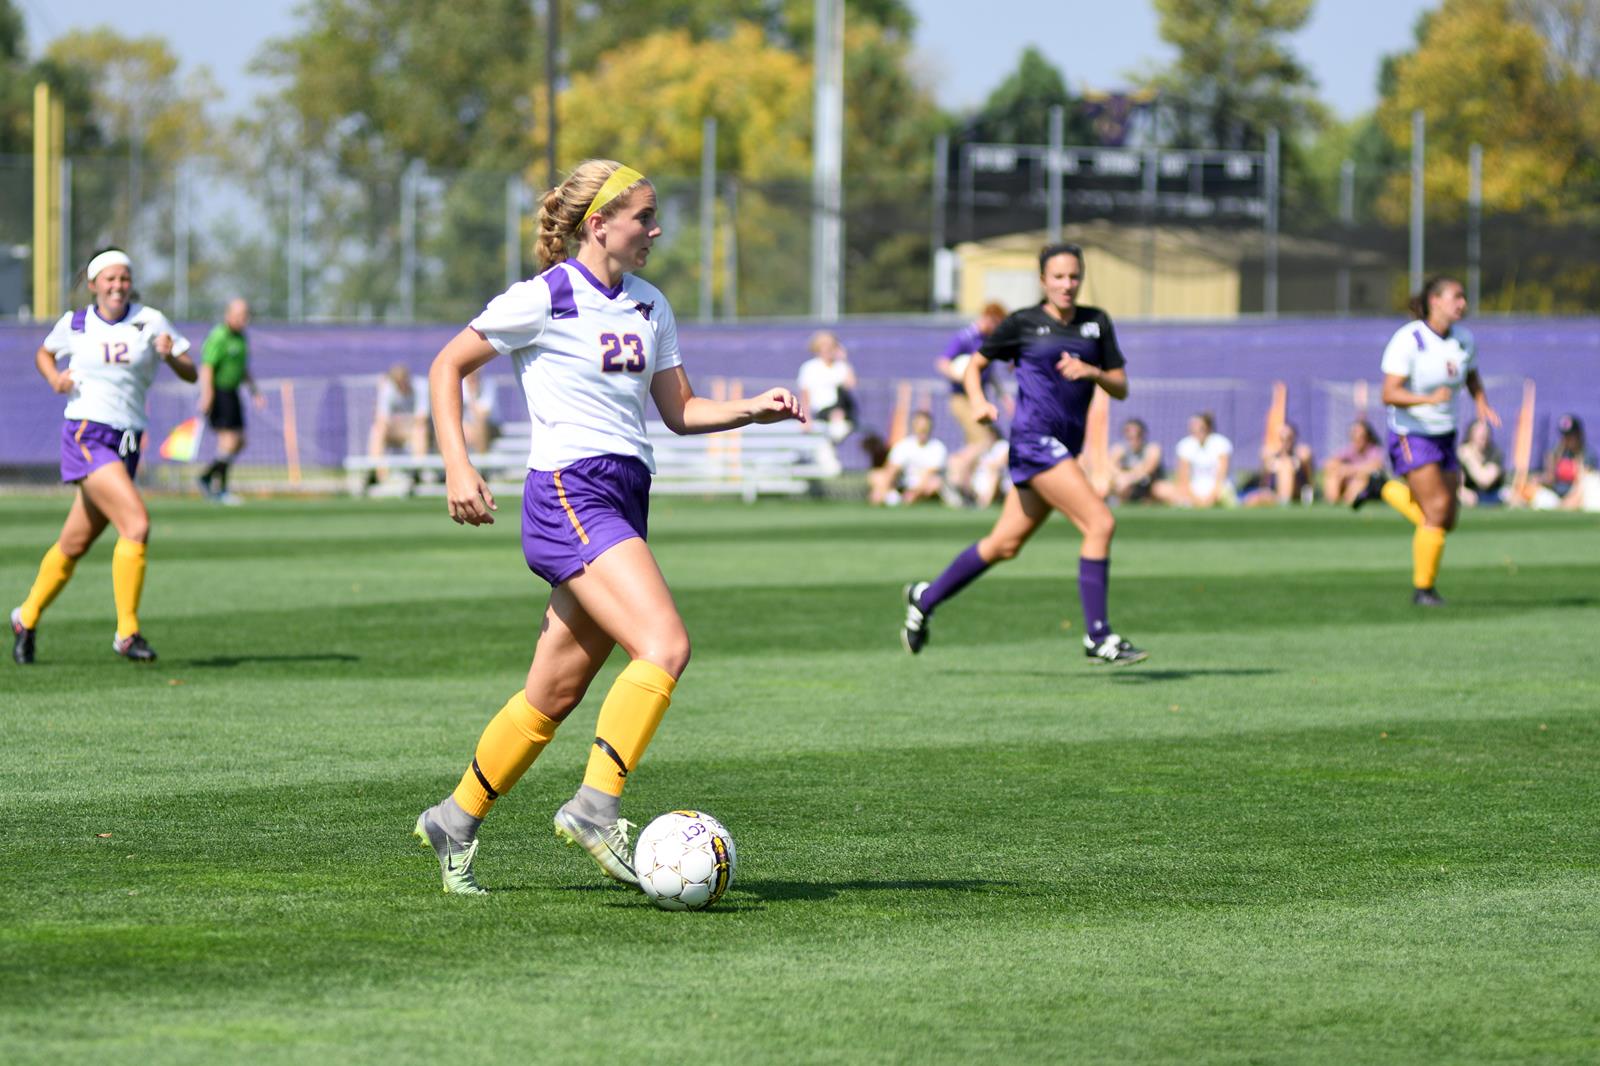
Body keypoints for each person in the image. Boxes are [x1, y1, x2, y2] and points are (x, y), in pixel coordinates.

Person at [411, 159, 804, 895]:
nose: (656, 230)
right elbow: (446, 366)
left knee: (551, 695)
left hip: (624, 497)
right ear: (599, 226)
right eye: (644, 218)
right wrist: (457, 468)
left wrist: (752, 408)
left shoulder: (651, 304)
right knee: (665, 644)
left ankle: (453, 819)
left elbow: (680, 413)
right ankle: (595, 809)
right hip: (568, 492)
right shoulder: (546, 297)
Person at [901, 242, 1146, 665]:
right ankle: (1098, 637)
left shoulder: (1096, 323)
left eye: (1074, 276)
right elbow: (974, 365)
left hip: (1063, 447)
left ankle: (926, 597)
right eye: (1058, 277)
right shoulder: (1023, 323)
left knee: (1004, 544)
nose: (1067, 284)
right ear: (1043, 281)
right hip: (1034, 442)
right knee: (1100, 523)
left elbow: (1120, 386)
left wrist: (1092, 372)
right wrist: (978, 402)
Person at [10, 248, 196, 665]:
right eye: (109, 279)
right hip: (86, 435)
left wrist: (170, 355)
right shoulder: (76, 323)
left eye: (124, 278)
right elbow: (44, 353)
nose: (118, 286)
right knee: (137, 523)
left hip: (126, 443)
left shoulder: (149, 320)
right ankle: (127, 633)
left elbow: (191, 370)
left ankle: (26, 616)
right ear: (93, 284)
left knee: (73, 544)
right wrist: (55, 378)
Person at [1373, 275, 1498, 606]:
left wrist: (1481, 399)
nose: (1463, 304)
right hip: (1411, 434)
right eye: (1456, 297)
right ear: (1435, 301)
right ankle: (1423, 590)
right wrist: (1428, 400)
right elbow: (1389, 393)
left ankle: (1381, 488)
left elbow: (1470, 373)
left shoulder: (1463, 339)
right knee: (1437, 512)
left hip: (1445, 435)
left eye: (1464, 297)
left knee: (1448, 518)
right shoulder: (1408, 340)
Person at [935, 303, 1007, 498]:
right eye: (996, 323)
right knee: (984, 439)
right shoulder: (966, 337)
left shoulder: (988, 341)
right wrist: (962, 376)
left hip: (978, 400)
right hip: (961, 398)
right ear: (987, 318)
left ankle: (965, 490)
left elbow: (990, 374)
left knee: (975, 441)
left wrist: (1004, 396)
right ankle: (954, 471)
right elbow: (942, 363)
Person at [196, 297, 262, 504]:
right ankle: (220, 487)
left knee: (240, 441)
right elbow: (207, 366)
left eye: (246, 315)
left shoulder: (241, 338)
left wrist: (255, 392)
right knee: (228, 440)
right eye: (240, 315)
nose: (244, 319)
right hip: (219, 392)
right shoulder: (219, 336)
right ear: (229, 315)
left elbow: (243, 369)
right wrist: (207, 395)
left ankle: (207, 476)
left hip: (233, 393)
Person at [796, 330, 857, 474]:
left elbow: (850, 384)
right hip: (822, 412)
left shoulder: (841, 366)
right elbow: (804, 395)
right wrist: (805, 418)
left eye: (831, 345)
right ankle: (827, 462)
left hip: (843, 411)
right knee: (829, 435)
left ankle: (826, 458)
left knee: (836, 429)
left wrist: (843, 359)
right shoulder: (810, 367)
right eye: (824, 345)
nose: (828, 349)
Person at [366, 363, 431, 485]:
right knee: (378, 430)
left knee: (420, 430)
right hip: (398, 430)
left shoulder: (421, 387)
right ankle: (376, 473)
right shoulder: (388, 390)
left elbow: (421, 418)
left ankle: (418, 472)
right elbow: (382, 419)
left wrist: (399, 420)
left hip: (417, 431)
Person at [1152, 412, 1234, 508]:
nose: (1196, 430)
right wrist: (1196, 499)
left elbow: (1221, 478)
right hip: (1193, 491)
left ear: (1208, 427)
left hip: (1217, 490)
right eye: (1193, 427)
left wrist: (1211, 497)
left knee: (1223, 493)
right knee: (1160, 488)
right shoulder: (1185, 445)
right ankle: (1188, 503)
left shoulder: (1221, 443)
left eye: (1200, 427)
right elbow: (1183, 479)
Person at [869, 410, 949, 506]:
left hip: (923, 485)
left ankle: (913, 499)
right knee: (876, 476)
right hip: (902, 484)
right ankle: (889, 496)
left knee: (935, 483)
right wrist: (883, 488)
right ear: (914, 427)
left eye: (925, 427)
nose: (922, 429)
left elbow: (929, 474)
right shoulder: (903, 445)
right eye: (919, 426)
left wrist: (914, 494)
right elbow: (891, 469)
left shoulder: (937, 447)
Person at [1531, 413, 1597, 511]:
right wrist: (1537, 480)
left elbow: (1582, 483)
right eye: (1565, 436)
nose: (1567, 440)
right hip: (1557, 497)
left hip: (1577, 497)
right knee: (1541, 499)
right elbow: (1550, 479)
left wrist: (1569, 502)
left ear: (1578, 435)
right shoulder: (1557, 452)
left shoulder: (1587, 454)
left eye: (1570, 436)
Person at [1241, 421, 1313, 506]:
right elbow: (1264, 482)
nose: (1285, 443)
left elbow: (1309, 479)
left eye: (1289, 438)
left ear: (1294, 438)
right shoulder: (1270, 455)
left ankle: (1284, 501)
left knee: (1286, 465)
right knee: (1251, 501)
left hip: (1296, 492)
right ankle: (1281, 500)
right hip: (1274, 492)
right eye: (1282, 439)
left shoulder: (1301, 454)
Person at [1324, 419, 1385, 506]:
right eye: (1354, 435)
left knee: (1359, 481)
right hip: (1347, 484)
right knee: (1333, 477)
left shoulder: (1374, 451)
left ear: (1367, 437)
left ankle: (1349, 500)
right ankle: (1332, 502)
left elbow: (1375, 467)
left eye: (1360, 436)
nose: (1356, 439)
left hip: (1367, 488)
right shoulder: (1349, 450)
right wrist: (1341, 471)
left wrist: (1349, 471)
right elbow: (1329, 464)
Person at [1102, 417, 1163, 504]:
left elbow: (1147, 469)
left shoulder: (1152, 449)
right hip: (1126, 485)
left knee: (1162, 489)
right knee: (1103, 484)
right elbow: (1110, 466)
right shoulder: (1119, 449)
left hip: (1148, 486)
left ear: (1143, 435)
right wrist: (1120, 476)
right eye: (1129, 436)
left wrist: (1128, 478)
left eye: (1137, 435)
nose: (1133, 440)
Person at [1457, 418, 1505, 507]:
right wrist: (1463, 492)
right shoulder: (1460, 454)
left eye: (1485, 432)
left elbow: (1485, 481)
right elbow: (1456, 484)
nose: (1483, 435)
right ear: (1471, 434)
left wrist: (1469, 458)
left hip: (1492, 495)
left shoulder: (1495, 453)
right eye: (1479, 432)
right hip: (1469, 498)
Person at [462, 368, 501, 454]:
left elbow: (483, 415)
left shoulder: (488, 384)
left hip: (490, 428)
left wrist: (472, 394)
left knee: (480, 423)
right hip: (466, 429)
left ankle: (481, 461)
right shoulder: (459, 385)